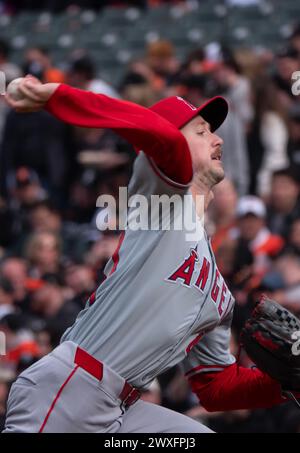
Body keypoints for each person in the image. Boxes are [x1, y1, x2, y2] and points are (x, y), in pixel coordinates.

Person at [3, 76, 289, 433]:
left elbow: (217, 387)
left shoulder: (220, 292)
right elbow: (162, 139)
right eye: (200, 131)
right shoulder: (161, 202)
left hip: (122, 410)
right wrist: (60, 97)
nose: (217, 139)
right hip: (70, 389)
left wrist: (285, 382)